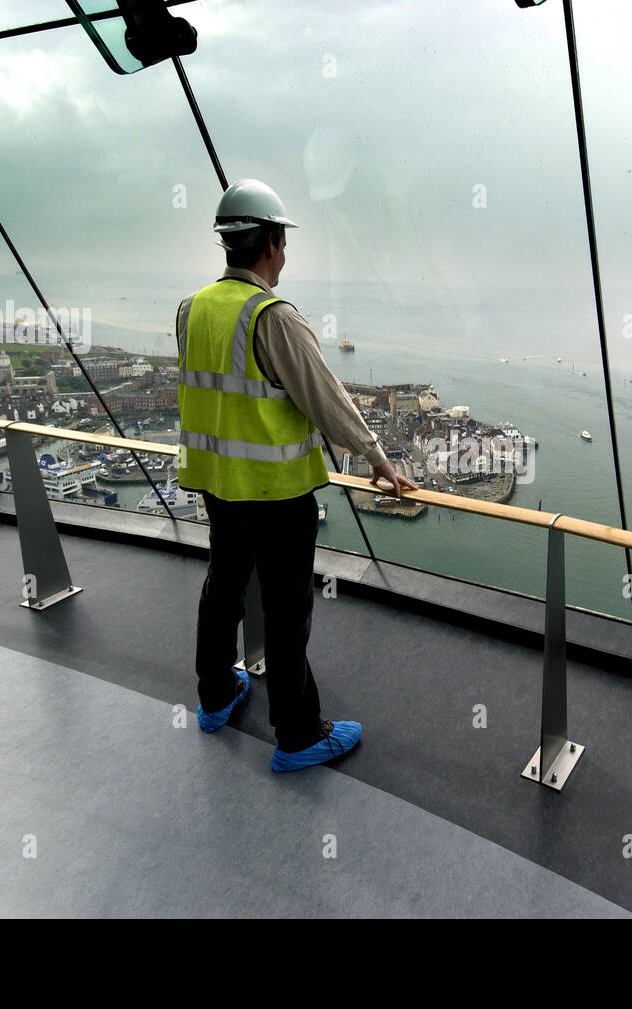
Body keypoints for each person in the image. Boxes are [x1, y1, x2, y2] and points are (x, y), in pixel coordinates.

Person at [176, 178, 417, 772]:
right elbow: (325, 398)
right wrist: (377, 459)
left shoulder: (191, 308)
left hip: (216, 484)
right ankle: (299, 734)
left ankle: (215, 696)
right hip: (277, 494)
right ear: (273, 243)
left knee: (223, 587)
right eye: (284, 243)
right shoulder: (273, 316)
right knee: (286, 613)